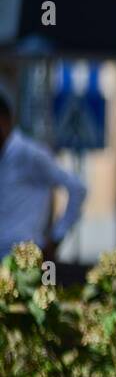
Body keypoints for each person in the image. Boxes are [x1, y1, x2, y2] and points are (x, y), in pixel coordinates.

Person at [0, 83, 87, 259]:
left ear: (5, 120)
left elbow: (77, 188)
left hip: (23, 260)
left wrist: (56, 238)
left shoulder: (29, 153)